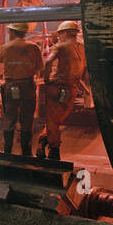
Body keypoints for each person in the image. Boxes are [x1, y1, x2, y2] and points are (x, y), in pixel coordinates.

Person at [37, 20, 87, 161]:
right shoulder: (83, 48)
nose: (59, 37)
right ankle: (42, 143)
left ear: (64, 33)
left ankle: (53, 150)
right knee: (57, 119)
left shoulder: (60, 46)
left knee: (53, 120)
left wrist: (47, 79)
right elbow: (86, 68)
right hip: (72, 88)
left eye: (60, 34)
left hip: (58, 86)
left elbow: (48, 61)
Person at [0, 22, 43, 155]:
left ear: (12, 31)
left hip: (10, 86)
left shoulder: (5, 47)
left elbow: (0, 62)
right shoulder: (34, 47)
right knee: (27, 119)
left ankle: (7, 151)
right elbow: (40, 67)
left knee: (9, 117)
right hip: (27, 86)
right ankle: (26, 152)